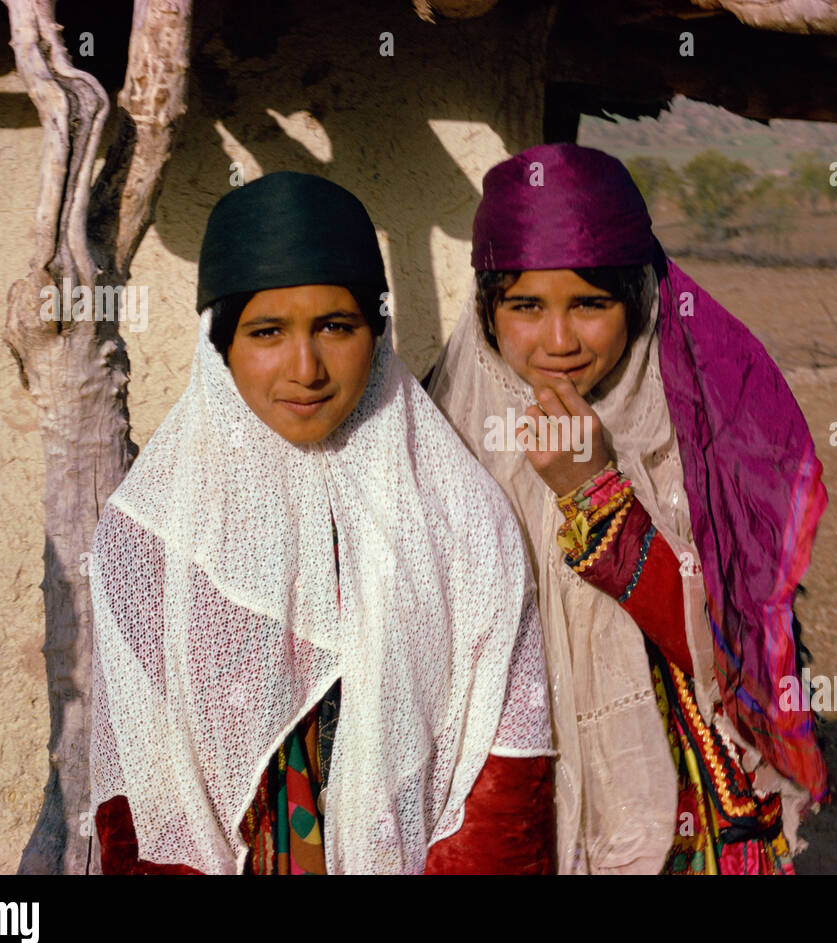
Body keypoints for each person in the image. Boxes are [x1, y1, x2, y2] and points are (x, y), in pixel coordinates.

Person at [89, 171, 554, 875]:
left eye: (336, 326)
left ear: (377, 331)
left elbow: (508, 758)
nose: (305, 367)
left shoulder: (458, 513)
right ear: (220, 346)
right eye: (267, 331)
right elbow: (141, 788)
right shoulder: (152, 533)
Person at [428, 144, 829, 875]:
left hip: (677, 797)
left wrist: (593, 489)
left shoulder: (698, 436)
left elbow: (731, 650)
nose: (559, 340)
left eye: (591, 303)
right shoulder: (439, 434)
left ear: (639, 301)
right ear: (486, 310)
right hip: (500, 804)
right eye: (526, 306)